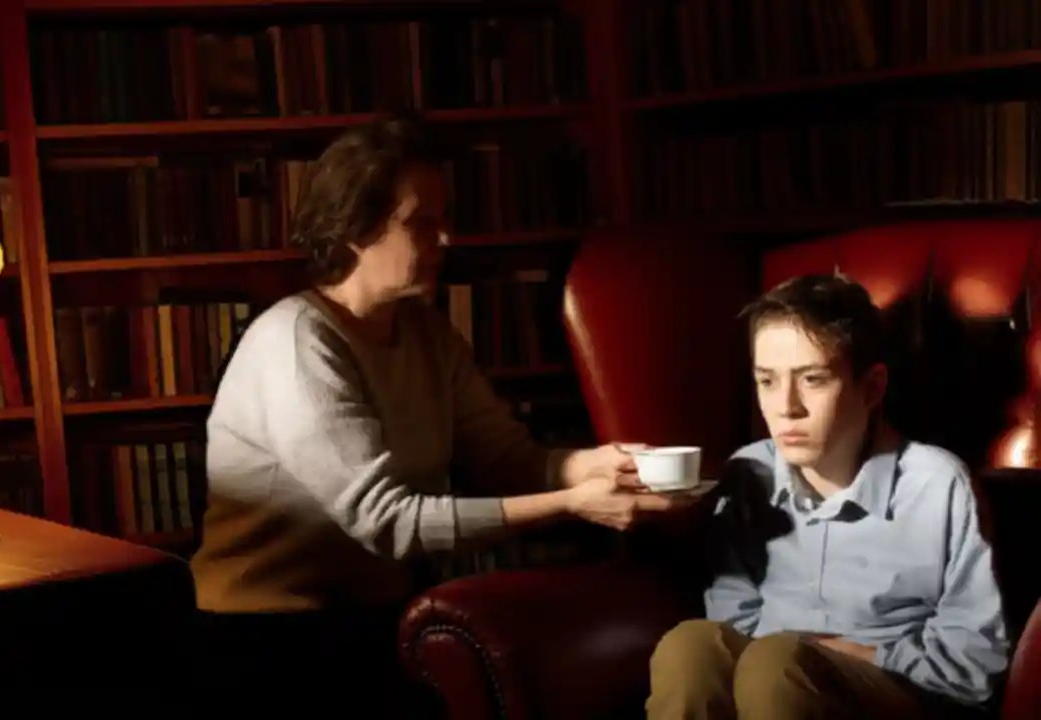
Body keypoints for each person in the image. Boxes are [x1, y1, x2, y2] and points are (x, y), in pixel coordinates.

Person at [188, 114, 694, 716]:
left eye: (444, 220)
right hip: (267, 636)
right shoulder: (298, 342)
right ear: (355, 228)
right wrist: (571, 503)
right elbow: (390, 523)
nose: (446, 240)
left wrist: (600, 465)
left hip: (374, 619)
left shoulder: (428, 335)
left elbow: (510, 461)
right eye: (421, 224)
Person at [645, 273, 1012, 719]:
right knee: (690, 646)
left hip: (898, 693)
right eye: (767, 381)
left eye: (813, 380)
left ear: (871, 388)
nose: (786, 407)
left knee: (776, 665)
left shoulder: (938, 485)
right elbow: (732, 615)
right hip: (767, 675)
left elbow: (972, 667)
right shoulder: (749, 473)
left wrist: (850, 654)